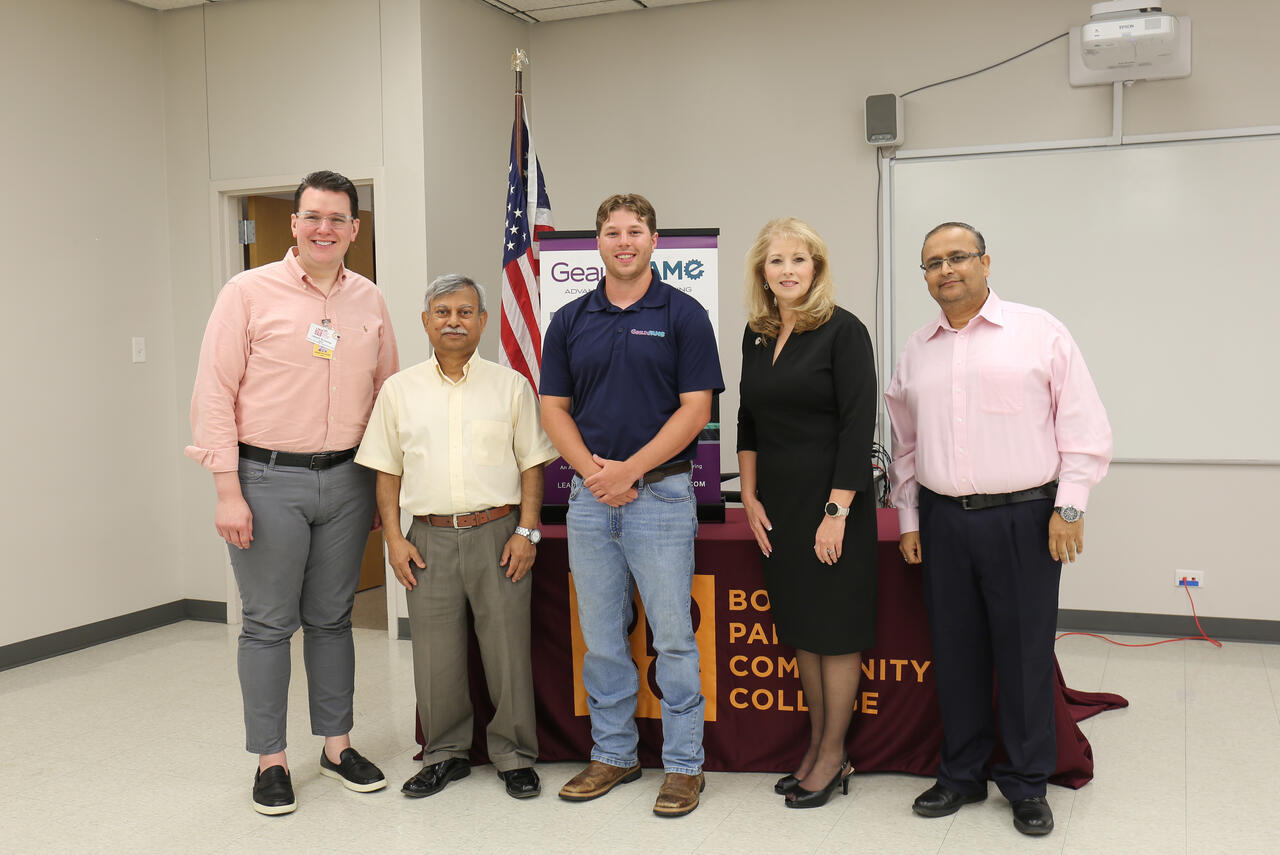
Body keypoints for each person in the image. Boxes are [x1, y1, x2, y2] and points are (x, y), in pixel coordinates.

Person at [884, 222, 1112, 836]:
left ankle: (1026, 781)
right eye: (932, 263)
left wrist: (1069, 506)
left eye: (957, 257)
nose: (945, 270)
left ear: (986, 263)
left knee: (1023, 655)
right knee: (954, 655)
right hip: (942, 521)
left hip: (1025, 518)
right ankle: (959, 775)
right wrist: (908, 517)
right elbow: (904, 447)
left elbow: (1083, 425)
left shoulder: (1039, 332)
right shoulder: (916, 349)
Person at [186, 170, 398, 815]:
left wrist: (384, 495)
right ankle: (271, 760)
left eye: (337, 219)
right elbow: (214, 393)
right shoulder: (247, 293)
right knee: (268, 624)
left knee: (332, 620)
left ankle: (337, 747)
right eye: (313, 217)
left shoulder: (370, 301)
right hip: (266, 479)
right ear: (294, 223)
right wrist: (228, 489)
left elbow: (388, 399)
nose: (324, 229)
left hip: (348, 480)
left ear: (355, 229)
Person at [539, 193, 724, 817]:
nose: (624, 241)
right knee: (601, 639)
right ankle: (614, 755)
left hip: (663, 496)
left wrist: (630, 471)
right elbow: (552, 409)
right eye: (613, 231)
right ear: (598, 242)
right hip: (591, 501)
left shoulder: (684, 314)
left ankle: (682, 767)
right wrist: (595, 474)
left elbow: (696, 409)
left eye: (635, 231)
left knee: (672, 638)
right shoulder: (569, 320)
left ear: (653, 241)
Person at [356, 274, 556, 801]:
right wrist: (394, 542)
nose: (453, 321)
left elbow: (532, 464)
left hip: (499, 534)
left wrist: (526, 531)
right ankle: (444, 755)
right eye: (442, 312)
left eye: (465, 312)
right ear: (425, 322)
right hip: (428, 539)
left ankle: (514, 756)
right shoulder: (399, 390)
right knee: (435, 654)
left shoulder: (510, 385)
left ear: (483, 322)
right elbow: (386, 472)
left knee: (507, 651)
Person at [736, 217, 878, 809]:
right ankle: (820, 745)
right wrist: (747, 495)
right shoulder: (757, 334)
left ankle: (832, 754)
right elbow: (747, 417)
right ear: (762, 273)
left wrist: (836, 510)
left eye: (799, 259)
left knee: (835, 634)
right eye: (776, 261)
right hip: (780, 508)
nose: (787, 270)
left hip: (832, 505)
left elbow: (857, 424)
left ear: (816, 268)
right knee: (802, 632)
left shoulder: (844, 331)